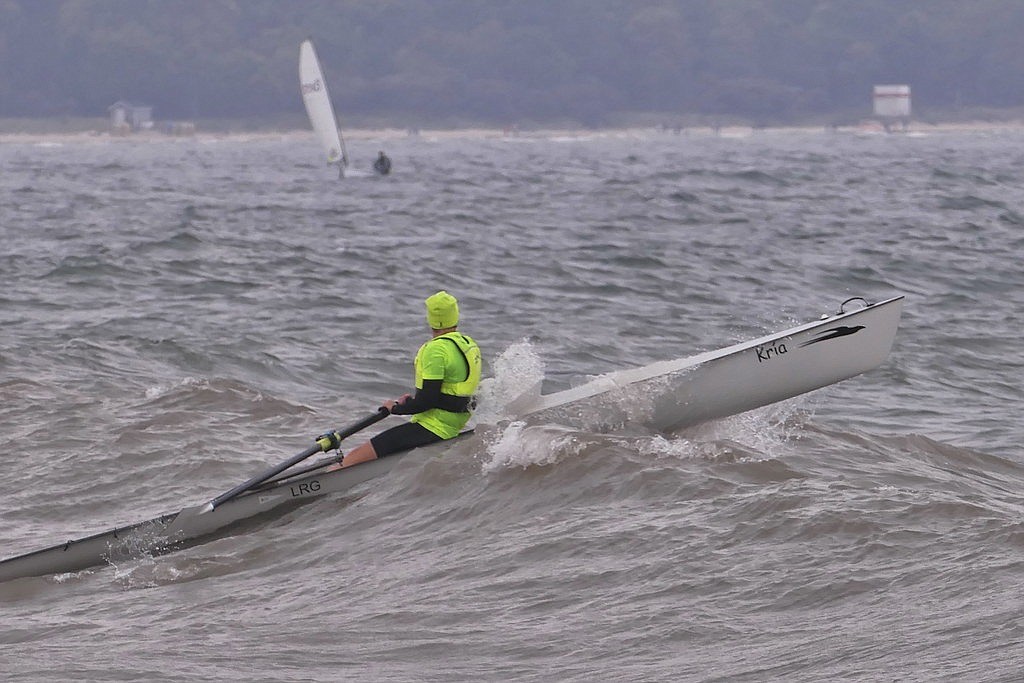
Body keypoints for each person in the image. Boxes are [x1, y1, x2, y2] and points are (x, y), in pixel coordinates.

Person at [329, 291, 481, 470]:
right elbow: (452, 395)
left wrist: (395, 408)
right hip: (454, 425)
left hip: (432, 427)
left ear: (431, 319)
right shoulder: (468, 345)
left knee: (360, 454)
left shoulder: (436, 350)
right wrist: (411, 402)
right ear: (455, 315)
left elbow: (427, 401)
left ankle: (333, 473)